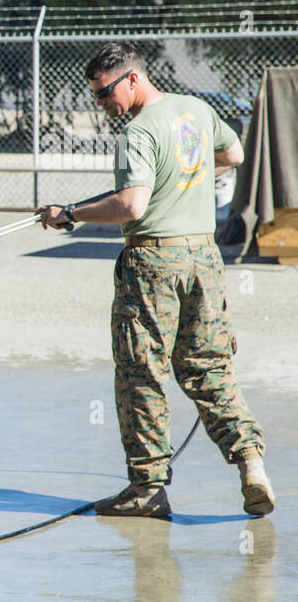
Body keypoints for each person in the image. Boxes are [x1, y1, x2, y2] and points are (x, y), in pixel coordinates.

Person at [38, 42, 274, 517]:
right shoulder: (196, 110)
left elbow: (131, 206)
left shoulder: (137, 132)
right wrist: (190, 177)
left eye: (105, 93)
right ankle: (251, 464)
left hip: (152, 264)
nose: (102, 104)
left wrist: (71, 215)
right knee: (208, 368)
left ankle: (146, 489)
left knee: (140, 375)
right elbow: (234, 151)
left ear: (131, 79)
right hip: (203, 258)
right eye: (96, 96)